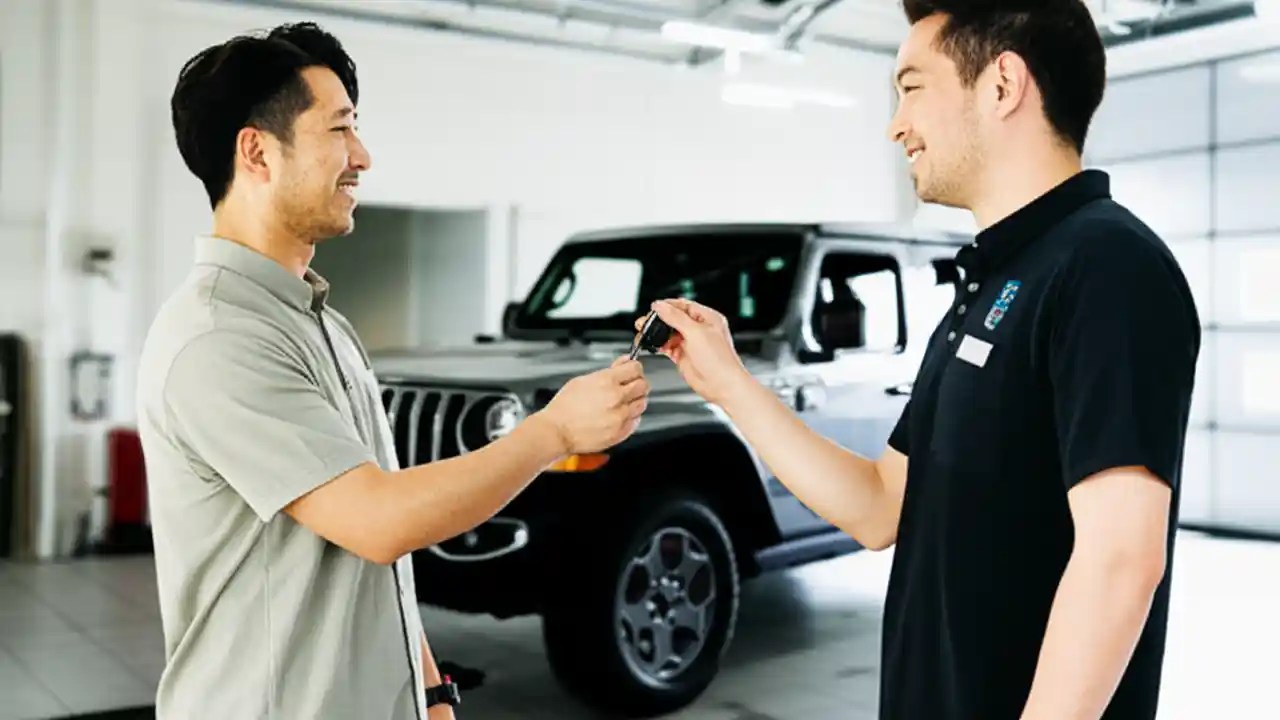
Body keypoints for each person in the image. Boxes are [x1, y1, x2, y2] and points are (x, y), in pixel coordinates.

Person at [642, 1, 1199, 718]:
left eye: (911, 88)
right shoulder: (993, 280)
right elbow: (879, 505)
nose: (895, 124)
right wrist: (731, 384)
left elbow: (1121, 560)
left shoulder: (1109, 266)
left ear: (1002, 85)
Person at [137, 22, 649, 720]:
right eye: (340, 129)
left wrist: (430, 688)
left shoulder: (320, 321)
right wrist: (553, 432)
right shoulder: (218, 337)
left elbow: (373, 555)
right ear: (257, 152)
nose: (363, 157)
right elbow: (380, 521)